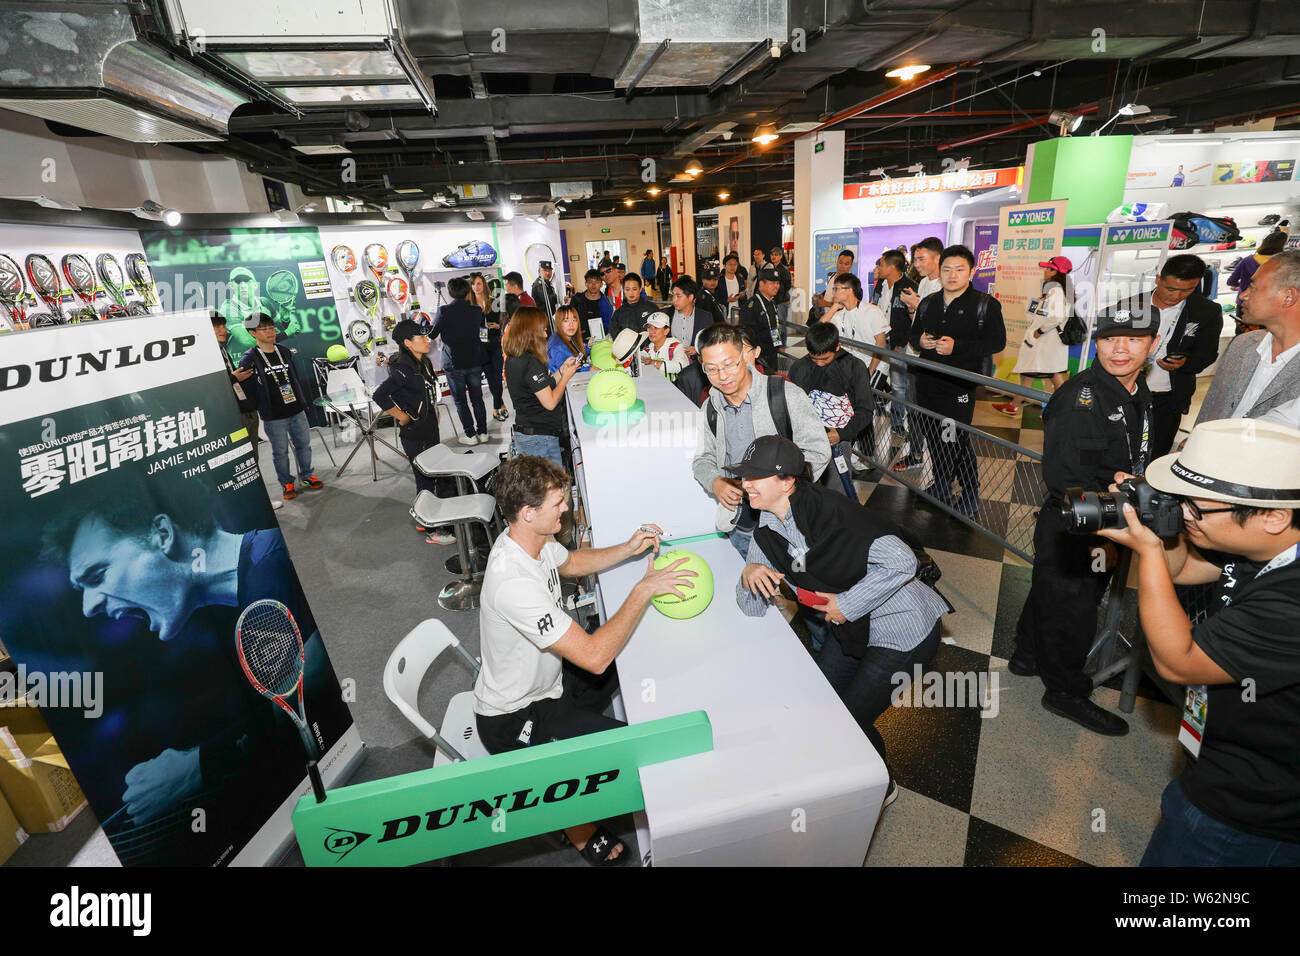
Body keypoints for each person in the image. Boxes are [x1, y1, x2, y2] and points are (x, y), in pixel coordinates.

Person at [41, 480, 346, 832]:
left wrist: (200, 766)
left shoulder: (274, 565)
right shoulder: (258, 575)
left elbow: (311, 684)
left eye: (97, 575)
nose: (89, 607)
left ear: (163, 535)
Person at [1093, 419, 1300, 865]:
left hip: (1253, 808)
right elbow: (1184, 571)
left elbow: (1178, 660)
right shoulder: (1265, 547)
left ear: (1273, 515)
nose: (1186, 515)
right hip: (1228, 757)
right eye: (1181, 502)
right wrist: (1156, 517)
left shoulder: (1292, 601)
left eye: (1197, 509)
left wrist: (1147, 550)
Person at [474, 455, 696, 865]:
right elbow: (594, 658)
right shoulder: (512, 582)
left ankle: (569, 771)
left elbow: (572, 562)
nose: (566, 508)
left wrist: (629, 549)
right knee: (631, 751)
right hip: (514, 717)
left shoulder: (535, 541)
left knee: (632, 649)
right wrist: (642, 590)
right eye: (558, 503)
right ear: (527, 512)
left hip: (550, 683)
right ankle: (572, 821)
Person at [732, 435, 948, 804]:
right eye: (743, 476)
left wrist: (847, 603)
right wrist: (748, 573)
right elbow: (753, 606)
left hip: (904, 629)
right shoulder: (767, 527)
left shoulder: (833, 512)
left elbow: (902, 561)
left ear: (787, 481)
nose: (745, 484)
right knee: (824, 704)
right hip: (850, 630)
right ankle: (842, 769)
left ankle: (882, 785)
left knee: (851, 718)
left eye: (756, 476)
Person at [1008, 307, 1161, 736]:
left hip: (1104, 515)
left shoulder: (1135, 389)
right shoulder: (1082, 399)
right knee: (1073, 611)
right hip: (1081, 525)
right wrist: (1112, 532)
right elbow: (1066, 483)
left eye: (1133, 340)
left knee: (1052, 593)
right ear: (1096, 343)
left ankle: (1026, 656)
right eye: (1111, 339)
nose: (1120, 349)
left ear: (1152, 344)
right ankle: (1065, 691)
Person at [692, 323, 830, 558]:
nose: (722, 376)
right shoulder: (711, 408)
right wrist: (716, 482)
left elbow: (818, 452)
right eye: (712, 369)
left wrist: (782, 485)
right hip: (742, 524)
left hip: (790, 525)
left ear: (745, 357)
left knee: (798, 587)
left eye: (729, 364)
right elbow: (702, 459)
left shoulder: (786, 395)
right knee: (755, 585)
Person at [908, 245, 1006, 515]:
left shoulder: (985, 304)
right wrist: (921, 341)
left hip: (959, 388)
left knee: (956, 438)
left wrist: (958, 347)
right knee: (933, 436)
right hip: (926, 382)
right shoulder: (928, 302)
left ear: (972, 271)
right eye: (947, 270)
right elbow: (913, 334)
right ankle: (941, 484)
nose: (952, 275)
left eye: (960, 269)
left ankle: (970, 491)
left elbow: (997, 342)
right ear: (939, 272)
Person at [1103, 254, 1223, 457]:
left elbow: (1208, 353)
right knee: (1116, 449)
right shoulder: (1128, 306)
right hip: (1124, 392)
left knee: (1157, 451)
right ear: (1158, 279)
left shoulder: (1206, 311)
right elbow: (1105, 348)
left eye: (1187, 290)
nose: (1176, 296)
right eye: (1171, 288)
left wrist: (1186, 363)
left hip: (1170, 397)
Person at [372, 319, 457, 545]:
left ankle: (425, 518)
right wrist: (401, 416)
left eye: (425, 336)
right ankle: (432, 529)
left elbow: (428, 391)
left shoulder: (425, 363)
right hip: (414, 433)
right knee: (425, 477)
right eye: (421, 337)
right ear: (408, 343)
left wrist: (433, 410)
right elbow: (380, 395)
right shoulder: (403, 369)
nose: (426, 340)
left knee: (434, 473)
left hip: (430, 426)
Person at [1197, 251, 1300, 429]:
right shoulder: (1242, 344)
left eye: (1252, 287)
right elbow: (1211, 409)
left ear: (1288, 297)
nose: (1243, 295)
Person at [237, 313, 323, 501]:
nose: (270, 332)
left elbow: (293, 378)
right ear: (252, 333)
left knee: (303, 445)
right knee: (280, 452)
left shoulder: (283, 351)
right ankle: (286, 482)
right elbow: (246, 389)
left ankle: (307, 476)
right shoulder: (249, 359)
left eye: (271, 328)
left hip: (296, 409)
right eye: (264, 329)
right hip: (273, 415)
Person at [787, 322, 875, 498]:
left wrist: (842, 434)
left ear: (837, 346)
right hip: (805, 439)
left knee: (838, 490)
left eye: (825, 359)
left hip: (839, 439)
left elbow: (865, 410)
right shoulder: (799, 368)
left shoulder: (854, 367)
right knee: (802, 490)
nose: (819, 364)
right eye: (814, 358)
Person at [996, 256, 1073, 416]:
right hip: (1044, 345)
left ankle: (1062, 412)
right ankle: (1014, 406)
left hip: (1046, 344)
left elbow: (1057, 317)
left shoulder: (1056, 291)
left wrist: (1039, 331)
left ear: (1054, 272)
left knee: (1047, 377)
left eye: (1048, 268)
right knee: (1033, 375)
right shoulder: (1056, 290)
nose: (1044, 271)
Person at [503, 307, 580, 468]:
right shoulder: (530, 363)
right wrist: (565, 378)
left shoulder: (514, 358)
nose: (546, 335)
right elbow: (550, 402)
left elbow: (542, 386)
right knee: (551, 490)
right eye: (543, 331)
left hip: (530, 433)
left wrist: (561, 370)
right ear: (531, 332)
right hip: (539, 439)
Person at [429, 275, 491, 445]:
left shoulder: (444, 311)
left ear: (451, 293)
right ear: (467, 291)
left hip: (453, 363)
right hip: (474, 361)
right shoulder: (477, 310)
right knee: (477, 398)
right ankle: (483, 432)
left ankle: (470, 435)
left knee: (460, 401)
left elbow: (431, 333)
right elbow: (483, 334)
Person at [210, 312, 260, 464]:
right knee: (242, 455)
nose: (223, 330)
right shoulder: (207, 354)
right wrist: (234, 378)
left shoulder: (222, 349)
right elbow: (211, 386)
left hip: (245, 408)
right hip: (230, 414)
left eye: (224, 325)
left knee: (252, 454)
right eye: (217, 326)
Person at [820, 271, 888, 382]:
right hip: (852, 366)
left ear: (849, 290)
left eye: (836, 289)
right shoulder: (838, 313)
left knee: (863, 395)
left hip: (874, 365)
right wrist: (833, 307)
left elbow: (881, 344)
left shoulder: (871, 311)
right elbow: (818, 331)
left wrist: (870, 371)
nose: (833, 292)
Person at [469, 273, 509, 423]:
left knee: (497, 377)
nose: (476, 287)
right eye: (474, 284)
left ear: (484, 285)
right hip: (480, 347)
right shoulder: (470, 306)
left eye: (479, 283)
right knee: (491, 378)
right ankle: (502, 404)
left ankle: (495, 409)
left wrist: (498, 326)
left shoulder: (495, 301)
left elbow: (505, 322)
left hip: (495, 343)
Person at [1227, 231, 1286, 320]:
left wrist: (1244, 286)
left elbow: (1231, 281)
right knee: (1266, 333)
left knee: (1243, 331)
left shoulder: (1246, 260)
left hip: (1245, 303)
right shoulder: (1282, 264)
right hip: (1269, 305)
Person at [741, 266, 784, 373]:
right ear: (761, 284)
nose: (776, 286)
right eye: (772, 283)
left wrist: (778, 344)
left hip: (772, 353)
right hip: (759, 356)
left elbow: (774, 325)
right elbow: (746, 333)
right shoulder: (752, 305)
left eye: (777, 283)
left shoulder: (771, 301)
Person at [669, 275, 712, 358]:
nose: (674, 300)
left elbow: (711, 342)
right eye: (673, 295)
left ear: (691, 297)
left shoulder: (705, 317)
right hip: (670, 364)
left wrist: (698, 349)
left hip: (695, 365)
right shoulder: (666, 315)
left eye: (678, 296)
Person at [609, 272, 659, 338]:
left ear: (640, 289)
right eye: (627, 289)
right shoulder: (618, 314)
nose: (631, 293)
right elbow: (614, 336)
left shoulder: (652, 308)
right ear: (623, 290)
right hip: (626, 348)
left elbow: (660, 332)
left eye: (634, 289)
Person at [640, 312, 688, 380]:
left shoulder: (676, 346)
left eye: (656, 328)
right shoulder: (648, 349)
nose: (651, 331)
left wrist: (653, 362)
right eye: (649, 327)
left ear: (666, 331)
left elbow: (679, 366)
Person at [546, 304, 590, 374]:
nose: (571, 324)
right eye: (566, 320)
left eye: (574, 320)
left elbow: (578, 352)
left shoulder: (568, 338)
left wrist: (589, 347)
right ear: (558, 322)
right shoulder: (557, 347)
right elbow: (570, 370)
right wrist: (590, 369)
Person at [572, 268, 613, 340]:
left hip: (602, 342)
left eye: (597, 282)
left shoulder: (607, 302)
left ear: (601, 284)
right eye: (590, 282)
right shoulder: (577, 300)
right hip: (580, 341)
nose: (593, 285)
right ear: (586, 284)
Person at [813, 249, 856, 316]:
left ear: (851, 265)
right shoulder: (832, 276)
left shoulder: (851, 282)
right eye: (840, 262)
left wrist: (824, 303)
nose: (842, 266)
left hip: (841, 320)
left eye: (846, 264)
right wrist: (820, 297)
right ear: (837, 262)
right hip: (828, 317)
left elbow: (846, 304)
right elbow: (829, 292)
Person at [768, 247, 793, 345]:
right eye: (772, 255)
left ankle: (783, 344)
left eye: (776, 255)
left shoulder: (784, 269)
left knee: (782, 324)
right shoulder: (771, 268)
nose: (773, 257)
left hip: (782, 301)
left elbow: (788, 285)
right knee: (773, 323)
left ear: (781, 256)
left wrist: (780, 294)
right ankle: (776, 343)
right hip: (773, 300)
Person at [719, 252, 748, 319]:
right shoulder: (720, 280)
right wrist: (727, 300)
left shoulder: (740, 279)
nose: (733, 266)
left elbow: (745, 299)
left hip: (739, 315)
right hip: (725, 316)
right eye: (730, 264)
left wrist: (742, 296)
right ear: (724, 265)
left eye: (735, 264)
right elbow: (716, 298)